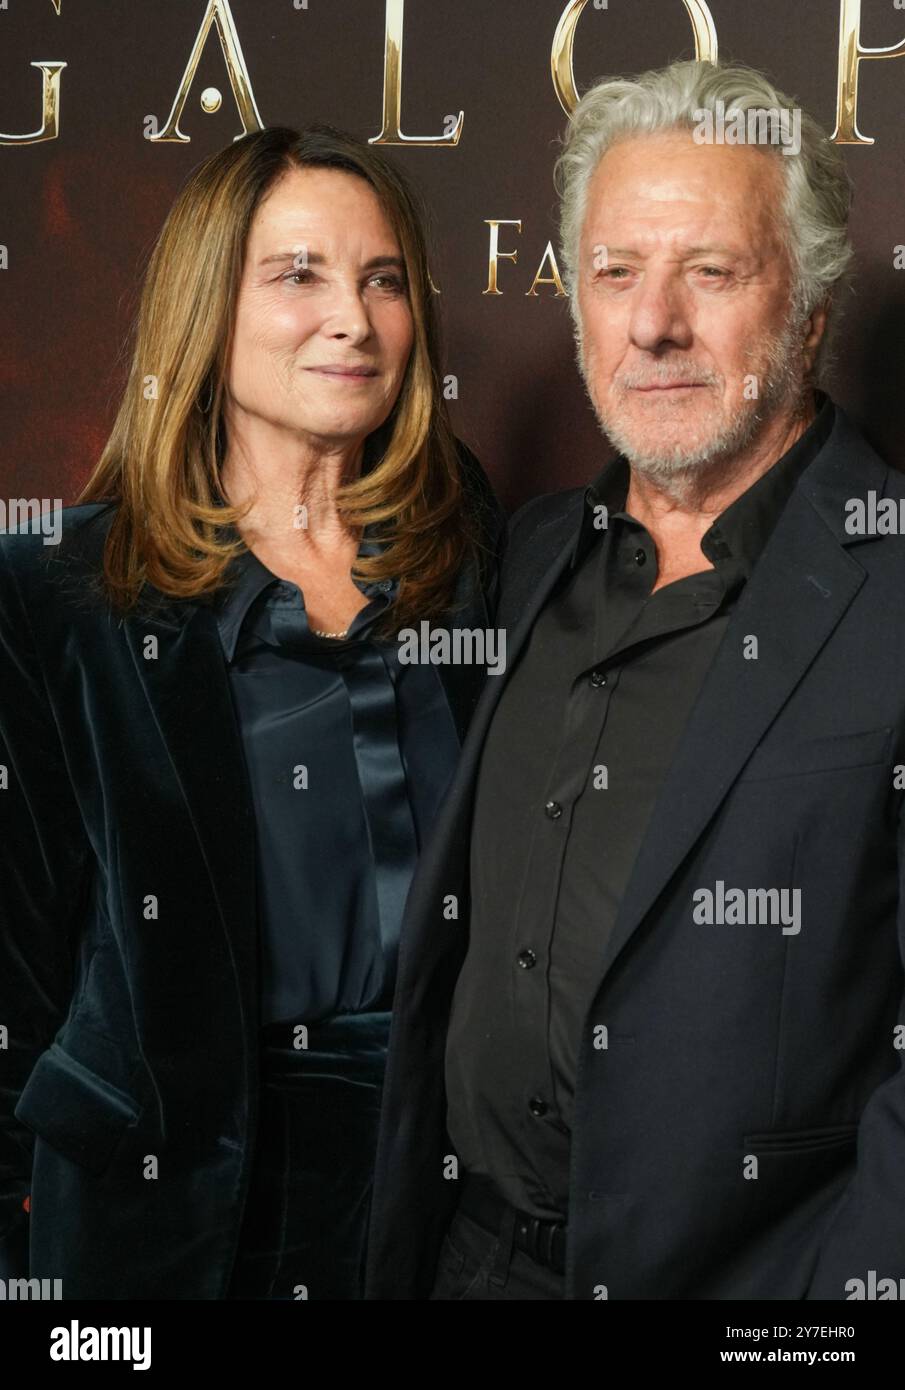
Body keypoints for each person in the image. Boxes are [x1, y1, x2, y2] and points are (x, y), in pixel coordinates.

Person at [364, 59, 905, 1300]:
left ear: (811, 307)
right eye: (613, 273)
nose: (651, 322)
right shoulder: (524, 557)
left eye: (708, 273)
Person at [0, 123, 503, 1299]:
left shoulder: (463, 547)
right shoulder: (58, 593)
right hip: (168, 1227)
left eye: (382, 279)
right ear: (203, 311)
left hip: (436, 1204)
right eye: (297, 275)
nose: (354, 317)